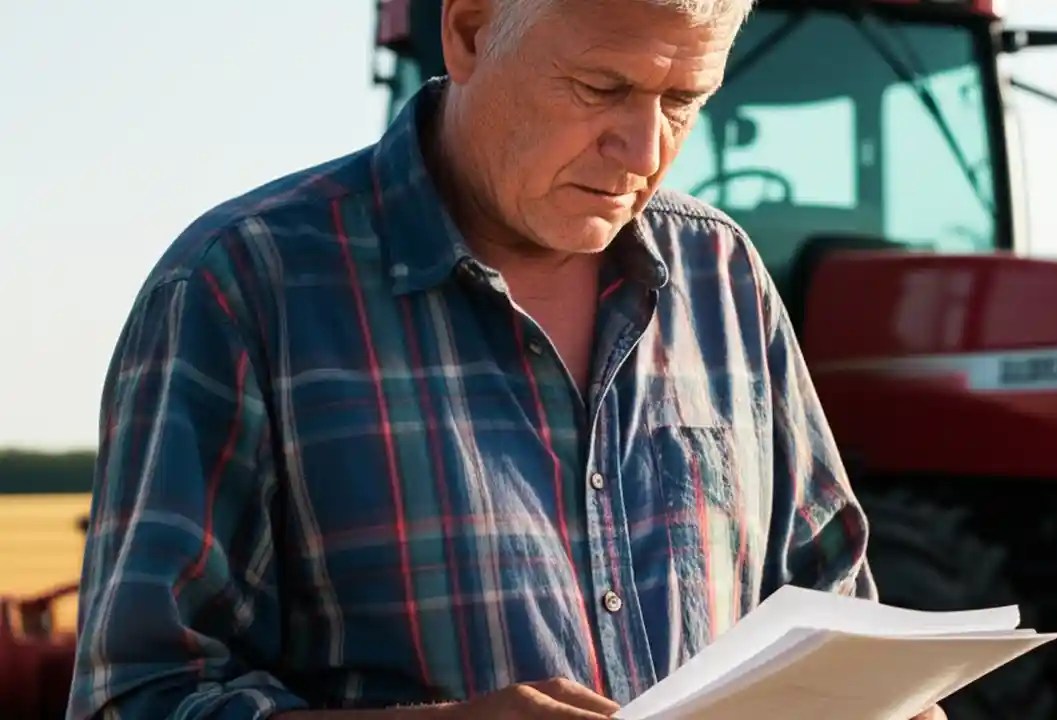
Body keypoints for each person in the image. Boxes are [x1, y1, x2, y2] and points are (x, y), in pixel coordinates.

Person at [67, 0, 946, 718]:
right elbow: (137, 699)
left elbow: (832, 612)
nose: (645, 151)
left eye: (684, 100)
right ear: (471, 30)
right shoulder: (240, 288)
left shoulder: (722, 277)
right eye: (602, 87)